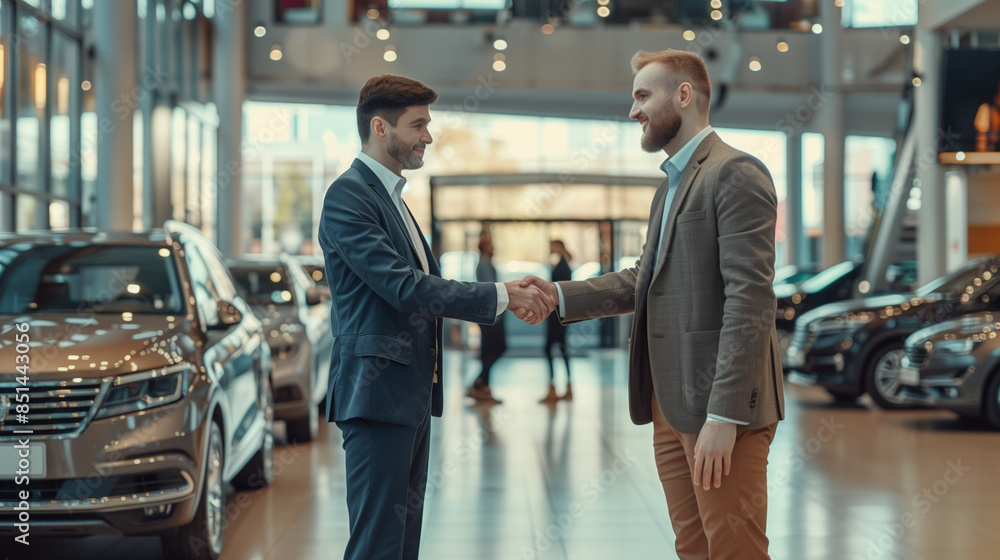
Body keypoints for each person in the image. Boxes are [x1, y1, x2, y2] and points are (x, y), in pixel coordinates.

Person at [521, 49, 784, 560]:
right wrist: (559, 295)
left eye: (643, 96)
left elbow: (751, 302)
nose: (633, 110)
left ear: (683, 95)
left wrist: (724, 416)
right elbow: (644, 279)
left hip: (719, 406)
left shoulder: (736, 173)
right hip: (670, 402)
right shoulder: (669, 188)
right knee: (694, 547)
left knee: (735, 550)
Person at [318, 74, 555, 560]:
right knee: (377, 545)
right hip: (376, 397)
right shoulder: (349, 197)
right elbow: (404, 288)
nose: (428, 135)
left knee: (402, 544)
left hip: (408, 397)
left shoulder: (392, 198)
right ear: (381, 128)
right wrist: (501, 295)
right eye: (419, 124)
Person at [468, 232, 506, 403]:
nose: (493, 247)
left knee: (489, 350)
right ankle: (479, 382)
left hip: (489, 314)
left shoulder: (486, 264)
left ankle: (483, 387)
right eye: (490, 244)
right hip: (491, 315)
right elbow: (492, 290)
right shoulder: (483, 265)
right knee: (498, 347)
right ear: (485, 247)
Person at [540, 239, 573, 403]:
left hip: (557, 316)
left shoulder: (562, 266)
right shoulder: (563, 264)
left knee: (552, 349)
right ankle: (566, 386)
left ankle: (555, 387)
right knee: (561, 349)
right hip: (559, 315)